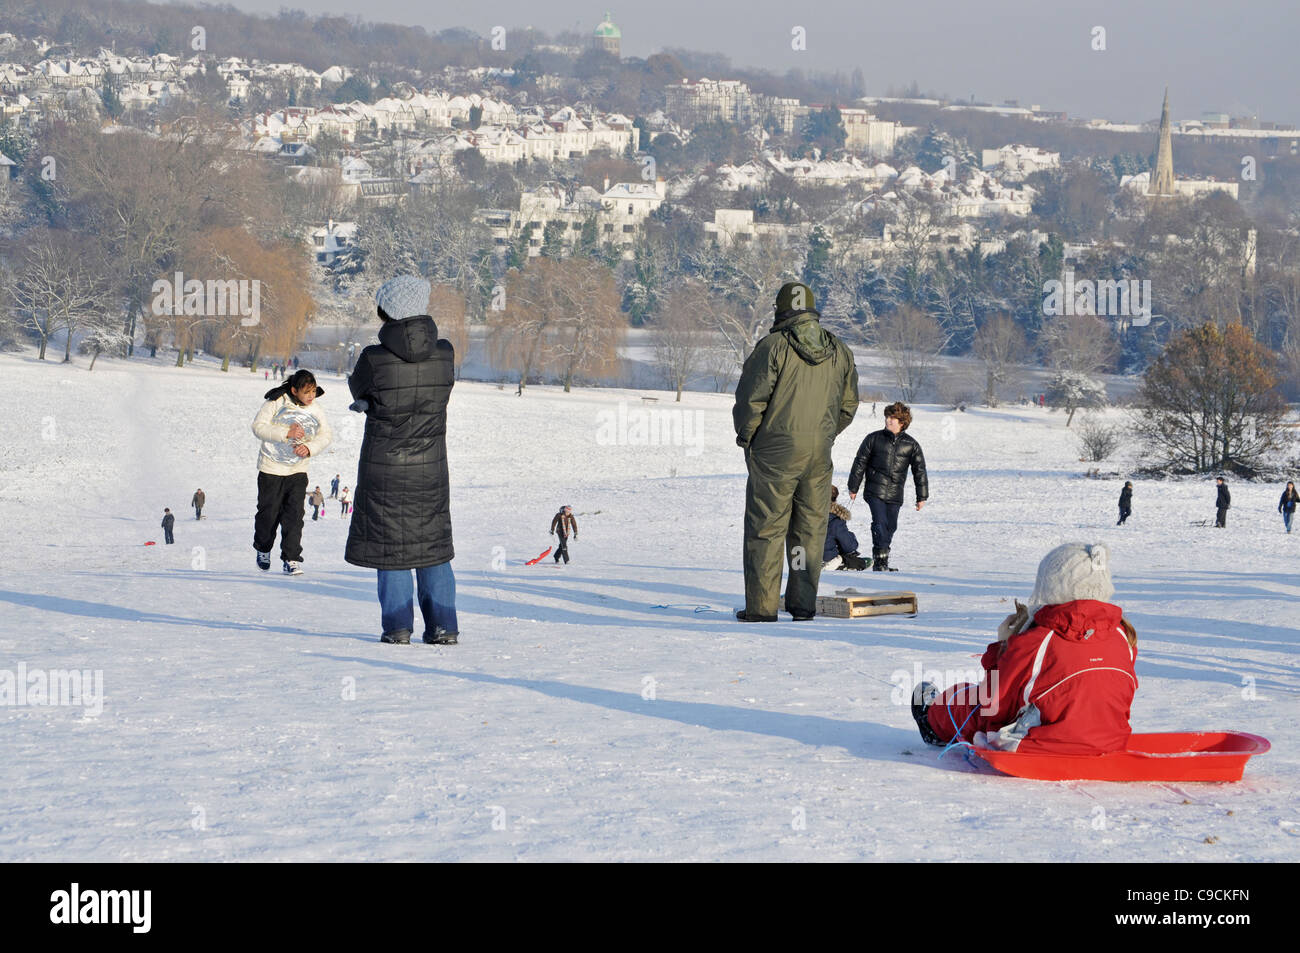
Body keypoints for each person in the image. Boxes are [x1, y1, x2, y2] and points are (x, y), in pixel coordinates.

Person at [910, 542, 1137, 755]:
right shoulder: (1122, 635)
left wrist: (1003, 648)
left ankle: (932, 718)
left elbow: (995, 705)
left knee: (972, 702)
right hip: (1110, 741)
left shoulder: (1038, 641)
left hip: (1040, 744)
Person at [733, 282, 859, 621]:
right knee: (809, 530)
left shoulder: (772, 346)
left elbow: (750, 401)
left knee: (767, 529)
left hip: (775, 453)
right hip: (818, 455)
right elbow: (848, 405)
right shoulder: (839, 350)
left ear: (781, 309)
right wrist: (824, 435)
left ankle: (762, 607)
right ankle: (802, 604)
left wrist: (750, 440)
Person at [345, 275, 459, 646]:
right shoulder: (445, 353)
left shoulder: (373, 359)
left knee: (390, 548)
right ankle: (443, 627)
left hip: (385, 469)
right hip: (431, 468)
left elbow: (359, 388)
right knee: (433, 545)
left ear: (387, 310)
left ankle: (397, 628)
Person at [251, 369, 333, 575]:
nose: (311, 396)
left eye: (314, 391)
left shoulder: (316, 408)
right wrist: (285, 433)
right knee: (268, 514)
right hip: (271, 468)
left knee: (294, 516)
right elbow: (258, 427)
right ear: (295, 390)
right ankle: (263, 549)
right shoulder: (276, 401)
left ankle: (291, 558)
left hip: (297, 470)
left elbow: (326, 435)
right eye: (307, 392)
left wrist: (310, 448)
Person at [847, 402, 928, 572]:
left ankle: (882, 558)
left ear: (902, 422)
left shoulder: (911, 444)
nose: (889, 420)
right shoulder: (873, 438)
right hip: (874, 490)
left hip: (895, 493)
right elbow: (860, 462)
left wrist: (922, 496)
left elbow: (919, 471)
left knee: (891, 526)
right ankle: (880, 564)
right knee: (880, 522)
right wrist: (853, 487)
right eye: (887, 417)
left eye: (893, 418)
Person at [823, 486, 868, 571]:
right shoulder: (835, 520)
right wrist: (851, 536)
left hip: (803, 555)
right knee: (855, 561)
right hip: (827, 558)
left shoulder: (807, 514)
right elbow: (849, 546)